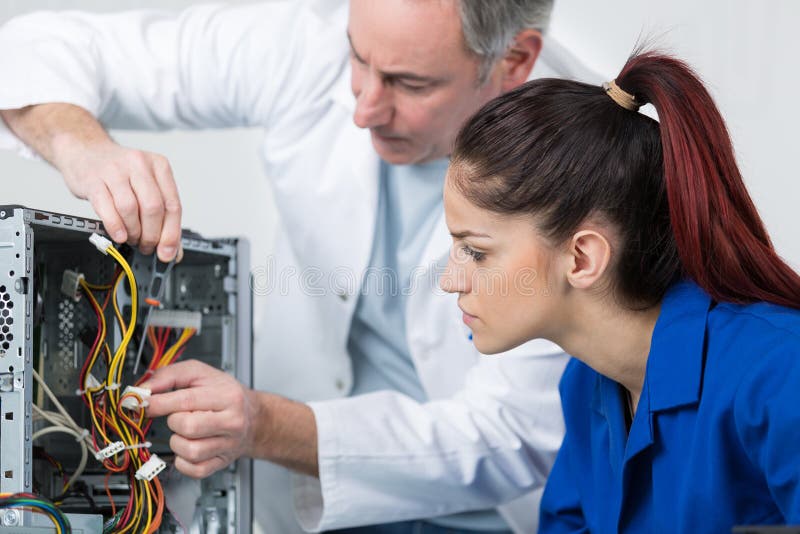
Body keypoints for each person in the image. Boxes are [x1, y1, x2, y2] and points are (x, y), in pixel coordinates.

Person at [0, 1, 597, 532]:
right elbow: (31, 49)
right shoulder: (305, 42)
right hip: (303, 504)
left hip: (486, 510)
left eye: (409, 83)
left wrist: (266, 425)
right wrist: (86, 149)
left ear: (515, 58)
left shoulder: (592, 159)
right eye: (358, 59)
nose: (363, 108)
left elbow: (509, 433)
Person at [439, 48, 800, 532]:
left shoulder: (777, 377)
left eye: (476, 252)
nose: (450, 280)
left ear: (582, 258)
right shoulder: (587, 384)